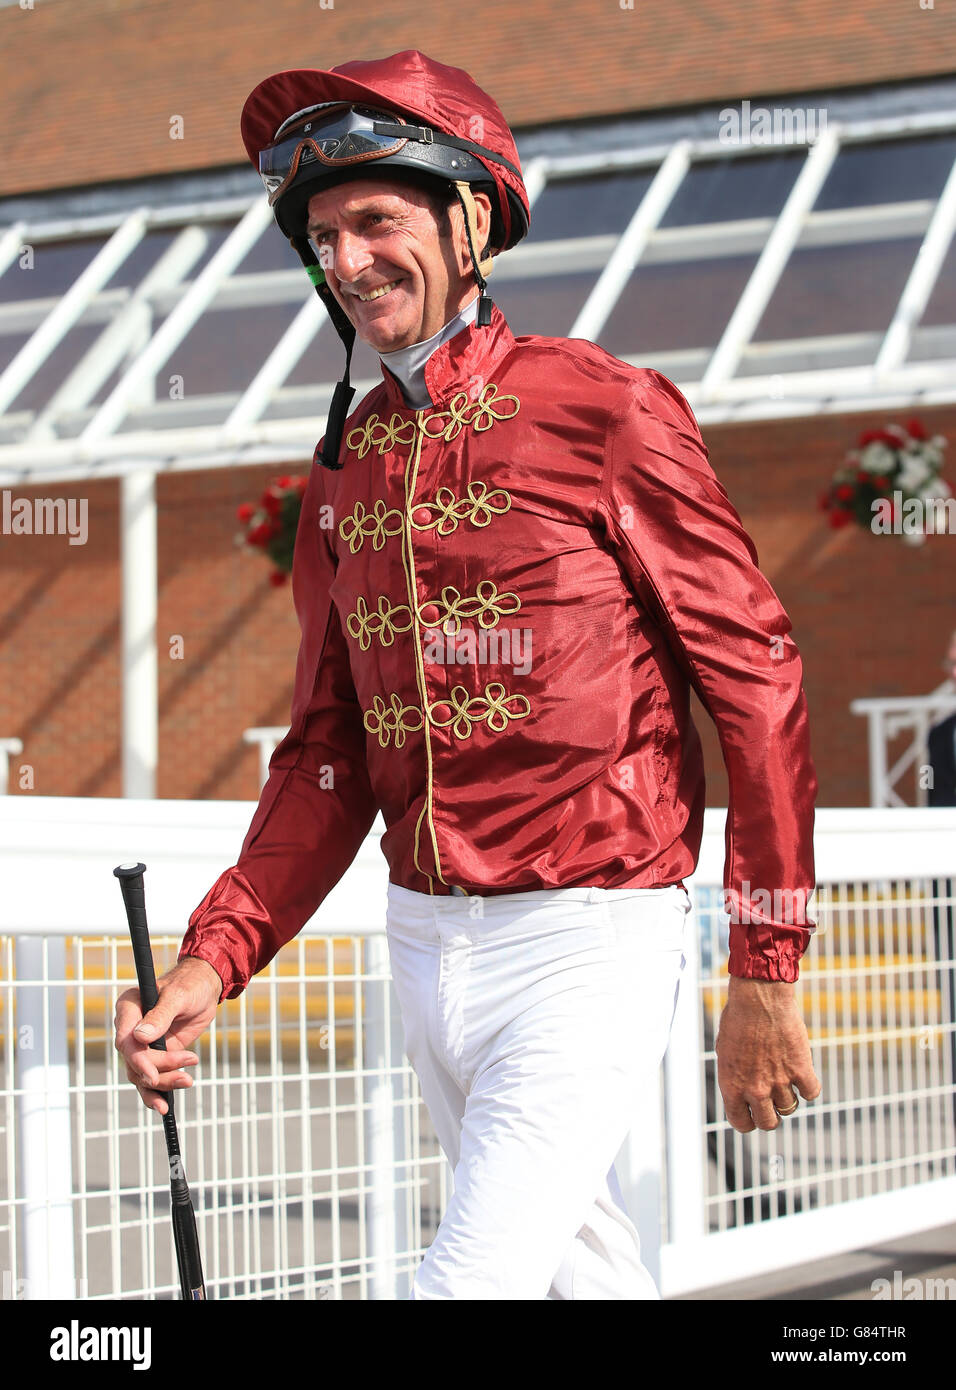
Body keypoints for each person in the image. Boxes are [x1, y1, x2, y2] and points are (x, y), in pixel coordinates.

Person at [114, 50, 821, 1300]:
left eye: (376, 220)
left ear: (472, 217)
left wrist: (761, 969)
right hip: (424, 942)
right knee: (576, 1278)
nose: (345, 260)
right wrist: (207, 961)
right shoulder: (344, 466)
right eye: (323, 234)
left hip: (586, 930)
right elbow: (327, 754)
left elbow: (755, 680)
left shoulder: (604, 406)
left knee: (461, 1283)